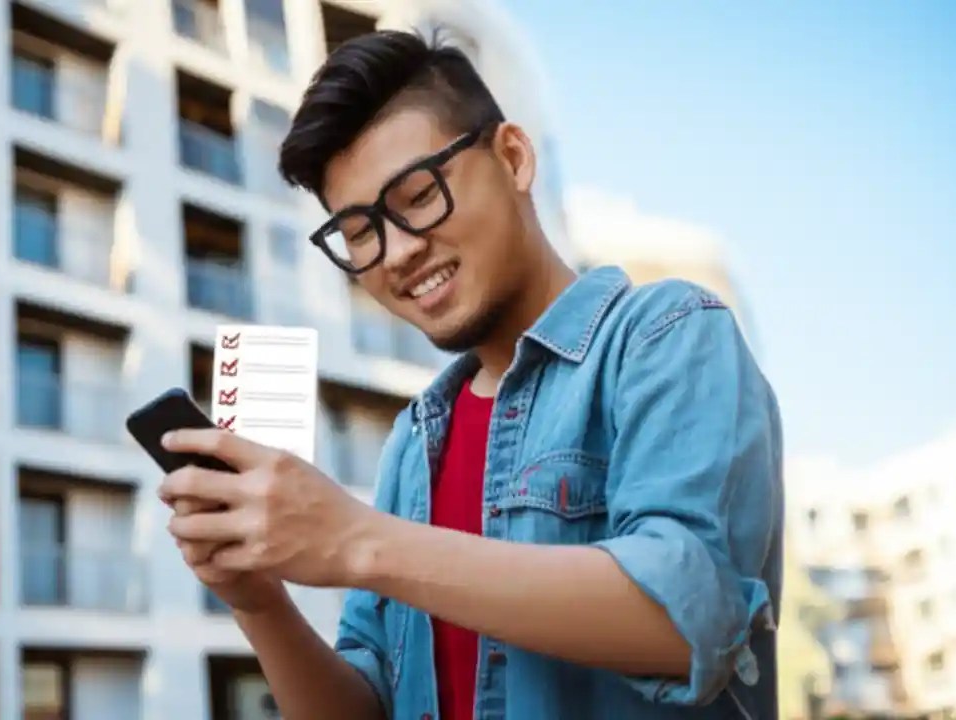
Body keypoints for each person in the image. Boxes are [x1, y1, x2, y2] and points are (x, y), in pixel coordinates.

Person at [158, 29, 784, 720]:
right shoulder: (413, 441)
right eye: (361, 233)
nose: (395, 252)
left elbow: (686, 619)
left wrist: (356, 540)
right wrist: (258, 600)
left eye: (419, 195)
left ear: (513, 157)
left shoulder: (666, 334)